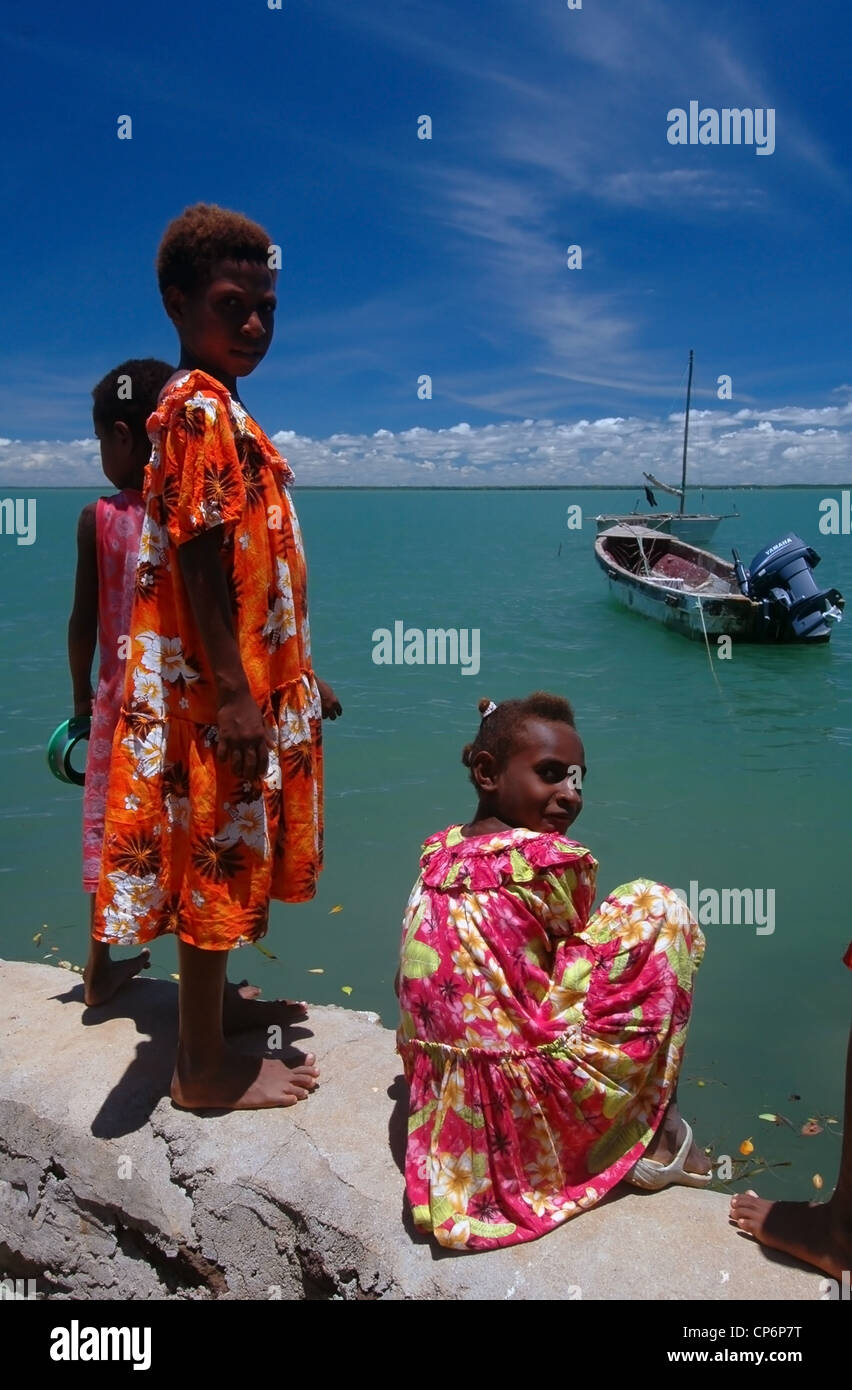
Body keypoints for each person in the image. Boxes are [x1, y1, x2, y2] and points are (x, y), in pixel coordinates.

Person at [92, 203, 342, 1111]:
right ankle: (200, 1069)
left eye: (267, 307)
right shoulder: (196, 408)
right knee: (214, 858)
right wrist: (238, 695)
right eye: (233, 303)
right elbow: (198, 553)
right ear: (177, 301)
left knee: (221, 850)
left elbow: (252, 569)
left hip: (236, 682)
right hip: (212, 696)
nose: (254, 324)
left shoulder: (222, 411)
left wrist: (294, 677)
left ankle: (213, 1018)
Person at [396, 692, 710, 1251]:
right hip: (519, 1116)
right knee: (658, 909)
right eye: (550, 775)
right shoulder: (549, 860)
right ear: (488, 773)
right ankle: (652, 1133)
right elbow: (581, 967)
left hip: (453, 1111)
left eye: (577, 780)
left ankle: (648, 1125)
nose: (570, 795)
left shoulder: (437, 852)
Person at [68, 358, 174, 1006]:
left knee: (112, 834)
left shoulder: (96, 518)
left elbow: (82, 622)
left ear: (122, 434)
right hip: (175, 706)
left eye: (102, 440)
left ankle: (98, 964)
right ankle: (203, 987)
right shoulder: (185, 516)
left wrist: (80, 702)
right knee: (182, 832)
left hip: (116, 707)